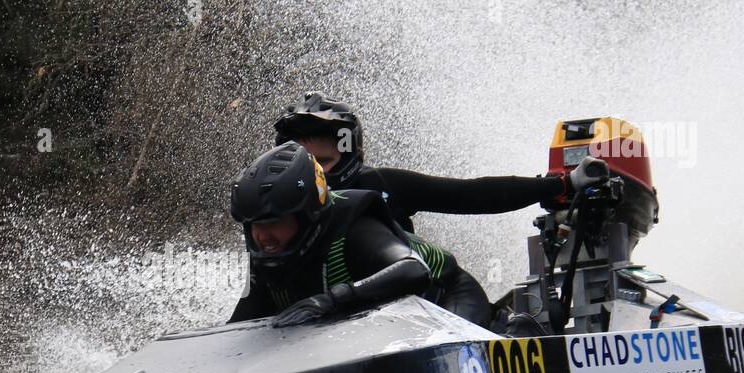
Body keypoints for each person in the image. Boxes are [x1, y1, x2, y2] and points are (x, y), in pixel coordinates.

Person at [271, 92, 609, 230]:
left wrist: (560, 183)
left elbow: (470, 194)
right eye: (300, 154)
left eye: (320, 156)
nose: (312, 166)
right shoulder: (271, 208)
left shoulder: (379, 183)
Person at [229, 142, 468, 327]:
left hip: (448, 296)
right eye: (254, 225)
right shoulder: (266, 253)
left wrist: (333, 300)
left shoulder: (353, 227)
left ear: (306, 217)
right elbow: (239, 327)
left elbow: (413, 270)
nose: (262, 235)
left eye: (274, 222)